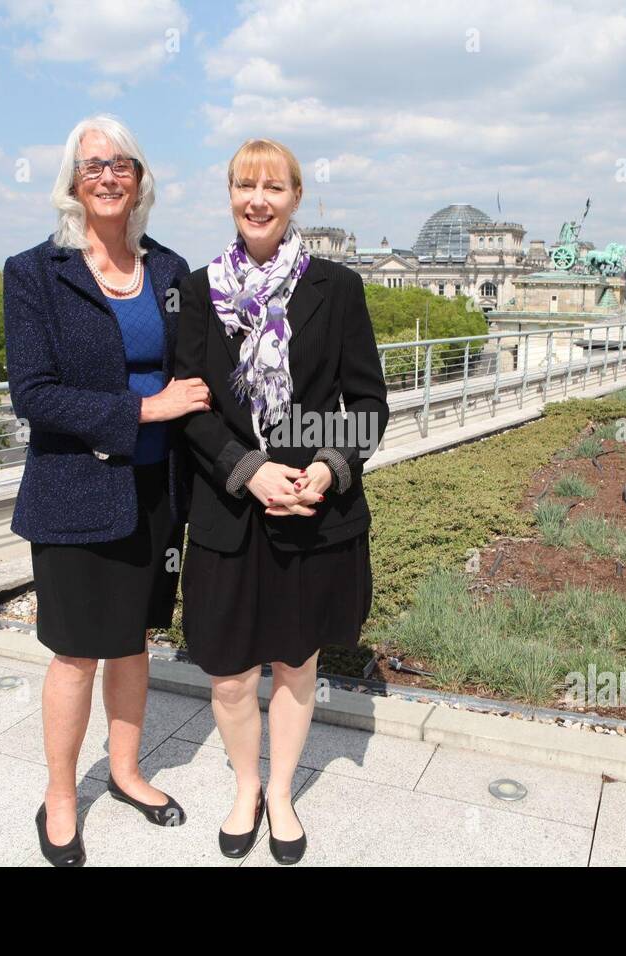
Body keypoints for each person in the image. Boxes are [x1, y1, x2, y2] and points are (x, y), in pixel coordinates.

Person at [174, 137, 389, 864]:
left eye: (273, 186)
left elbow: (366, 403)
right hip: (229, 513)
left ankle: (282, 792)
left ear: (296, 198)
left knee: (298, 666)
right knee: (230, 672)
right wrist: (247, 469)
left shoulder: (337, 287)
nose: (257, 199)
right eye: (244, 185)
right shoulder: (199, 293)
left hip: (310, 510)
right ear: (230, 194)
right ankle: (244, 785)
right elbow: (192, 407)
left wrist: (327, 470)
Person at [3, 115, 210, 866]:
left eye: (122, 164)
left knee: (134, 642)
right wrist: (143, 409)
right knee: (75, 653)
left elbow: (200, 368)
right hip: (73, 491)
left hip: (158, 490)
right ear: (71, 182)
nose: (109, 176)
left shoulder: (171, 270)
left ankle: (126, 772)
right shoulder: (33, 273)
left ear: (141, 178)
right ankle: (62, 796)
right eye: (93, 166)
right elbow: (33, 392)